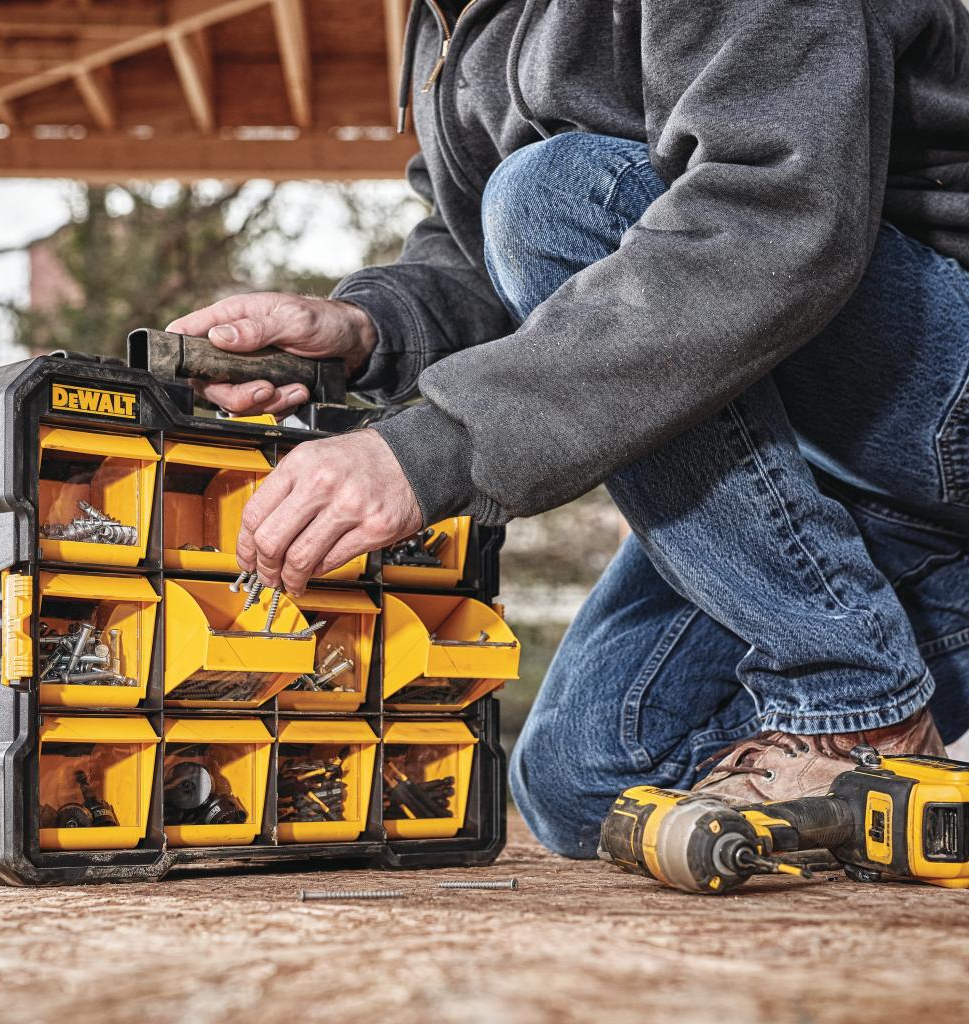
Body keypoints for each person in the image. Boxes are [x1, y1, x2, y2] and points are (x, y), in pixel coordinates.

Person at [168, 0, 969, 858]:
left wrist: (437, 448)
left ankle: (856, 713)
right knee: (590, 777)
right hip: (827, 457)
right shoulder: (447, 18)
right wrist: (369, 329)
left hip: (932, 389)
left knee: (548, 195)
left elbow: (769, 217)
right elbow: (495, 264)